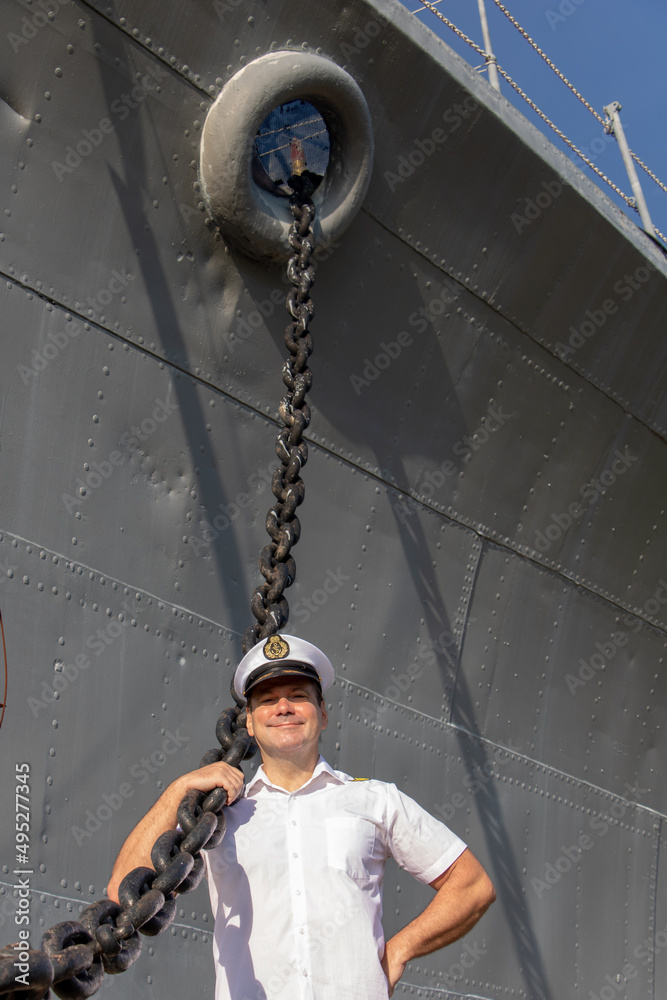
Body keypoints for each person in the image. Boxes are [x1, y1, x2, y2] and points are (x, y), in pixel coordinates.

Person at [108, 634, 495, 999]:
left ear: (323, 714)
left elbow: (472, 885)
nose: (283, 707)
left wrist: (400, 950)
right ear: (249, 723)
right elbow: (122, 891)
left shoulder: (374, 800)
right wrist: (179, 789)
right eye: (267, 700)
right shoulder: (216, 815)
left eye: (298, 696)